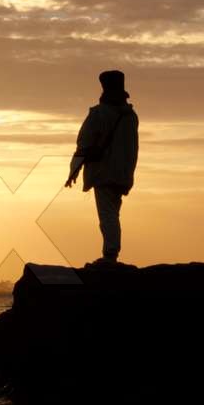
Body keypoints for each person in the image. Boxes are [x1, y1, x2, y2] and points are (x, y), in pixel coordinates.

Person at [65, 70, 139, 266]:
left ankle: (110, 255)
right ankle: (111, 252)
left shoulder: (98, 114)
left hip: (102, 172)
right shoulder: (131, 117)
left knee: (107, 215)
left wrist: (73, 170)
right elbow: (132, 148)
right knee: (113, 213)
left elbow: (83, 143)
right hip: (123, 174)